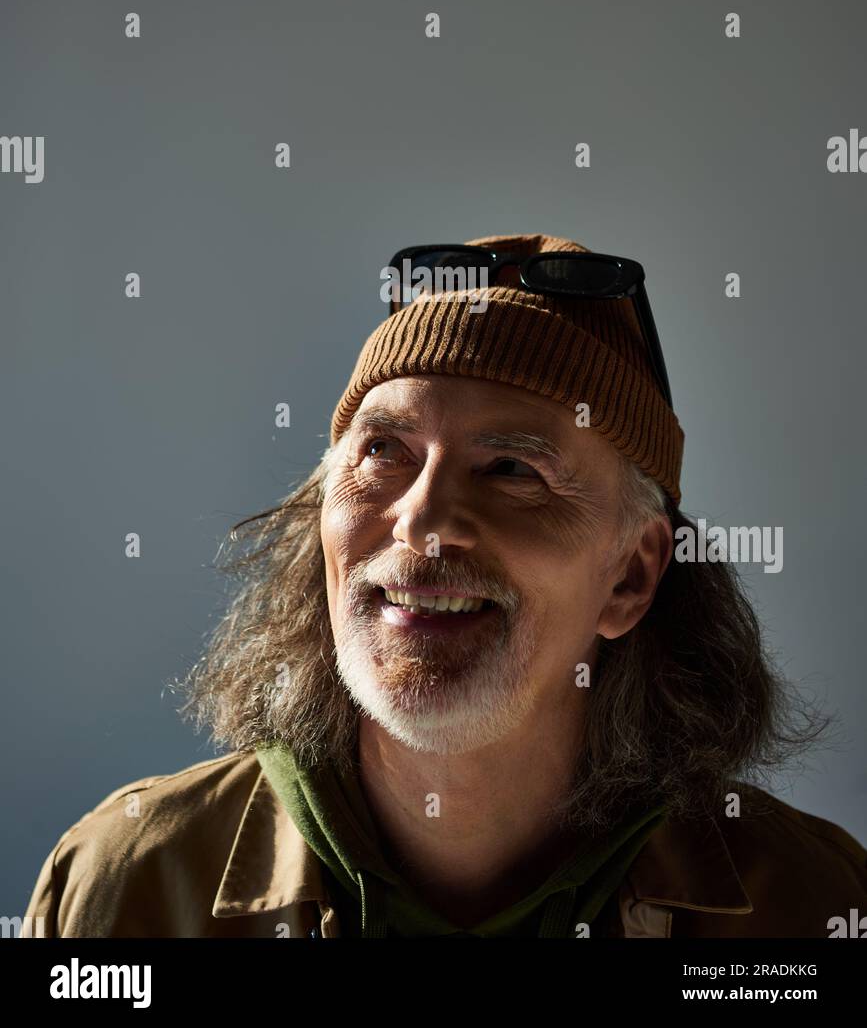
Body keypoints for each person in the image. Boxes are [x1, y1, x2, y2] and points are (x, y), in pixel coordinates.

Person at [22, 233, 867, 938]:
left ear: (632, 574)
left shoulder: (811, 908)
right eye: (382, 453)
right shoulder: (127, 887)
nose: (422, 524)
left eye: (511, 469)